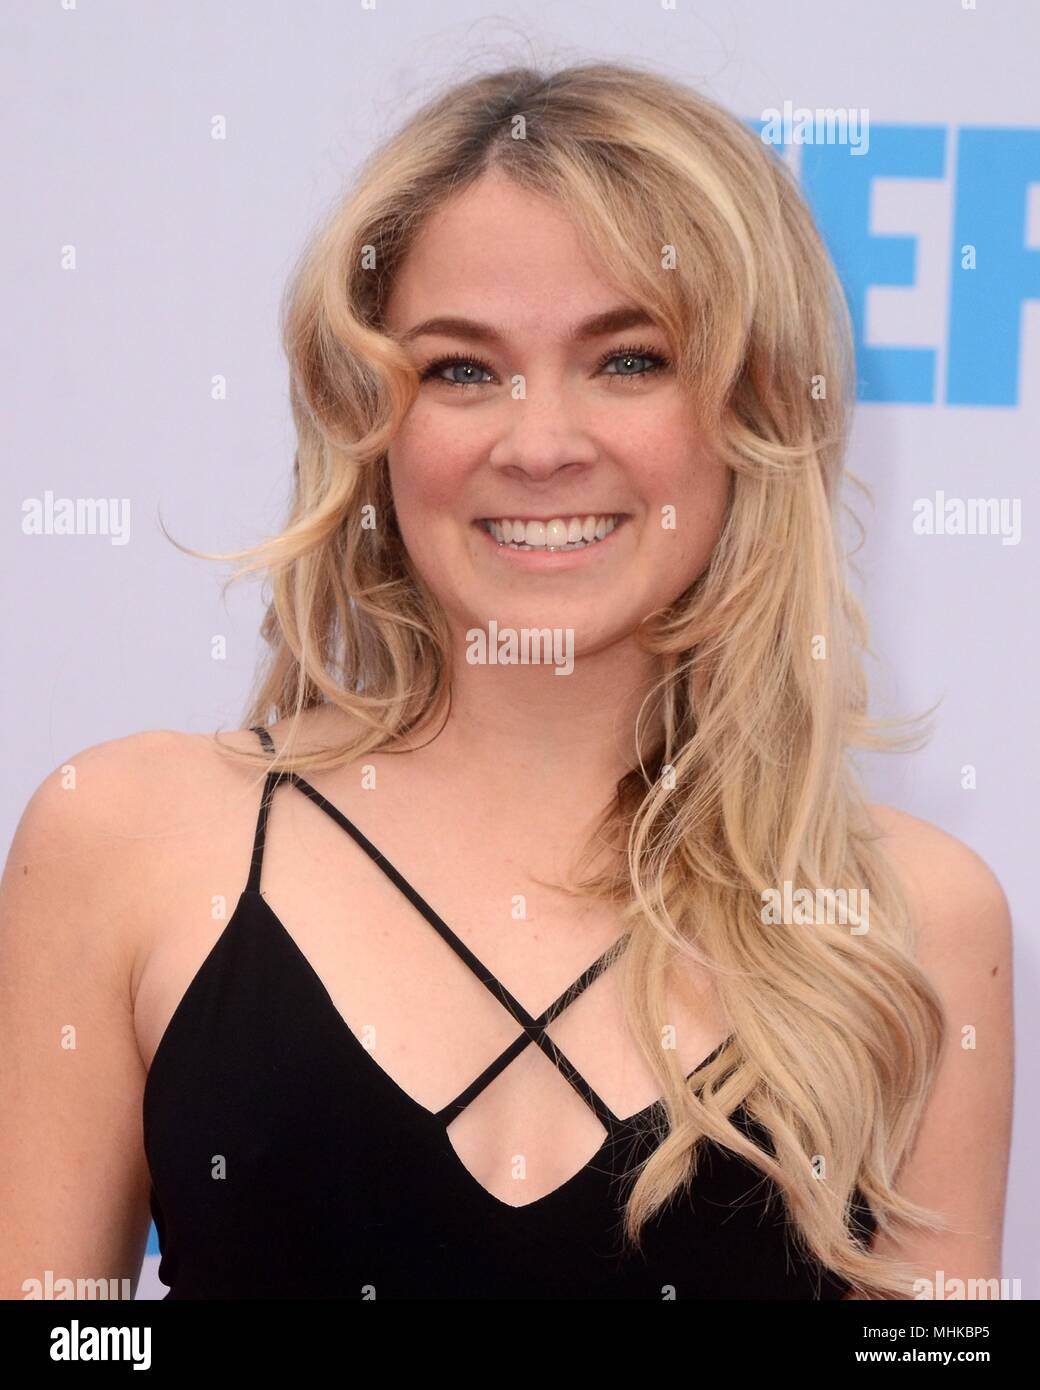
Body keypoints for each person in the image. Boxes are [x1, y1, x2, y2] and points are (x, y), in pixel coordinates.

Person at [0, 61, 1012, 1301]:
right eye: (462, 370)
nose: (539, 444)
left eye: (629, 359)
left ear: (753, 406)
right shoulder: (126, 839)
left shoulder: (906, 917)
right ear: (370, 419)